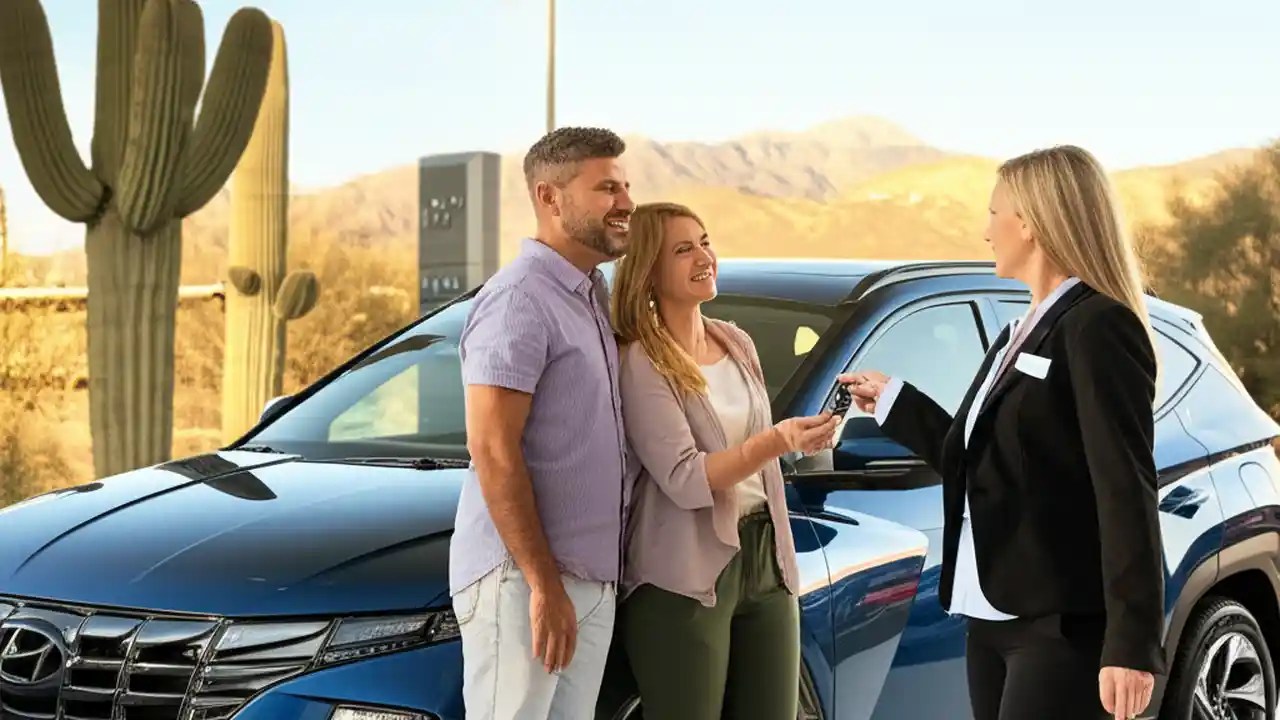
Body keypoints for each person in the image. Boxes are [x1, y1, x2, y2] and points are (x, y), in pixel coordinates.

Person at [840, 145, 1164, 720]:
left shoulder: (1097, 325)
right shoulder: (1019, 330)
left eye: (994, 213)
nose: (986, 231)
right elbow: (984, 460)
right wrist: (893, 400)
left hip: (1059, 626)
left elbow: (1126, 488)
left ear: (1032, 223)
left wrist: (1132, 645)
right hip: (988, 615)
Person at [610, 201, 840, 719]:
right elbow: (686, 479)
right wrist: (776, 442)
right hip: (682, 576)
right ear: (648, 269)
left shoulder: (735, 341)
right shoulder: (641, 361)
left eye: (706, 241)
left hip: (767, 560)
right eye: (683, 249)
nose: (704, 256)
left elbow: (759, 452)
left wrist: (803, 440)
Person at [449, 126, 635, 720]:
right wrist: (542, 584)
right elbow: (492, 447)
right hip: (523, 584)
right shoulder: (520, 298)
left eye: (626, 186)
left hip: (589, 580)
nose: (627, 202)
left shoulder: (589, 295)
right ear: (549, 198)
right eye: (607, 187)